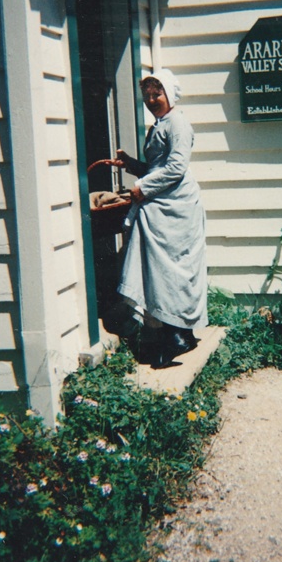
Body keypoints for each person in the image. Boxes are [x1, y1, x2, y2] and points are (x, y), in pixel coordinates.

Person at [114, 68, 207, 368]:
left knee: (172, 268)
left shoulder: (178, 123)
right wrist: (131, 165)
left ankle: (178, 334)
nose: (152, 99)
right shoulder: (160, 124)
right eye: (148, 95)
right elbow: (158, 167)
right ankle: (178, 333)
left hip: (177, 206)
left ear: (170, 94)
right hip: (163, 202)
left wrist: (142, 188)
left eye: (157, 93)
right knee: (161, 269)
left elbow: (177, 167)